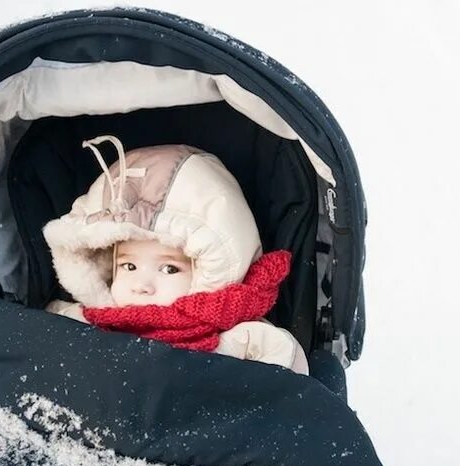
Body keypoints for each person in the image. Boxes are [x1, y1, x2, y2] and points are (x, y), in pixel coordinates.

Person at [43, 135, 309, 375]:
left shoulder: (238, 339)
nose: (142, 286)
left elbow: (285, 371)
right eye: (129, 266)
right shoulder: (79, 322)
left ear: (207, 273)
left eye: (169, 269)